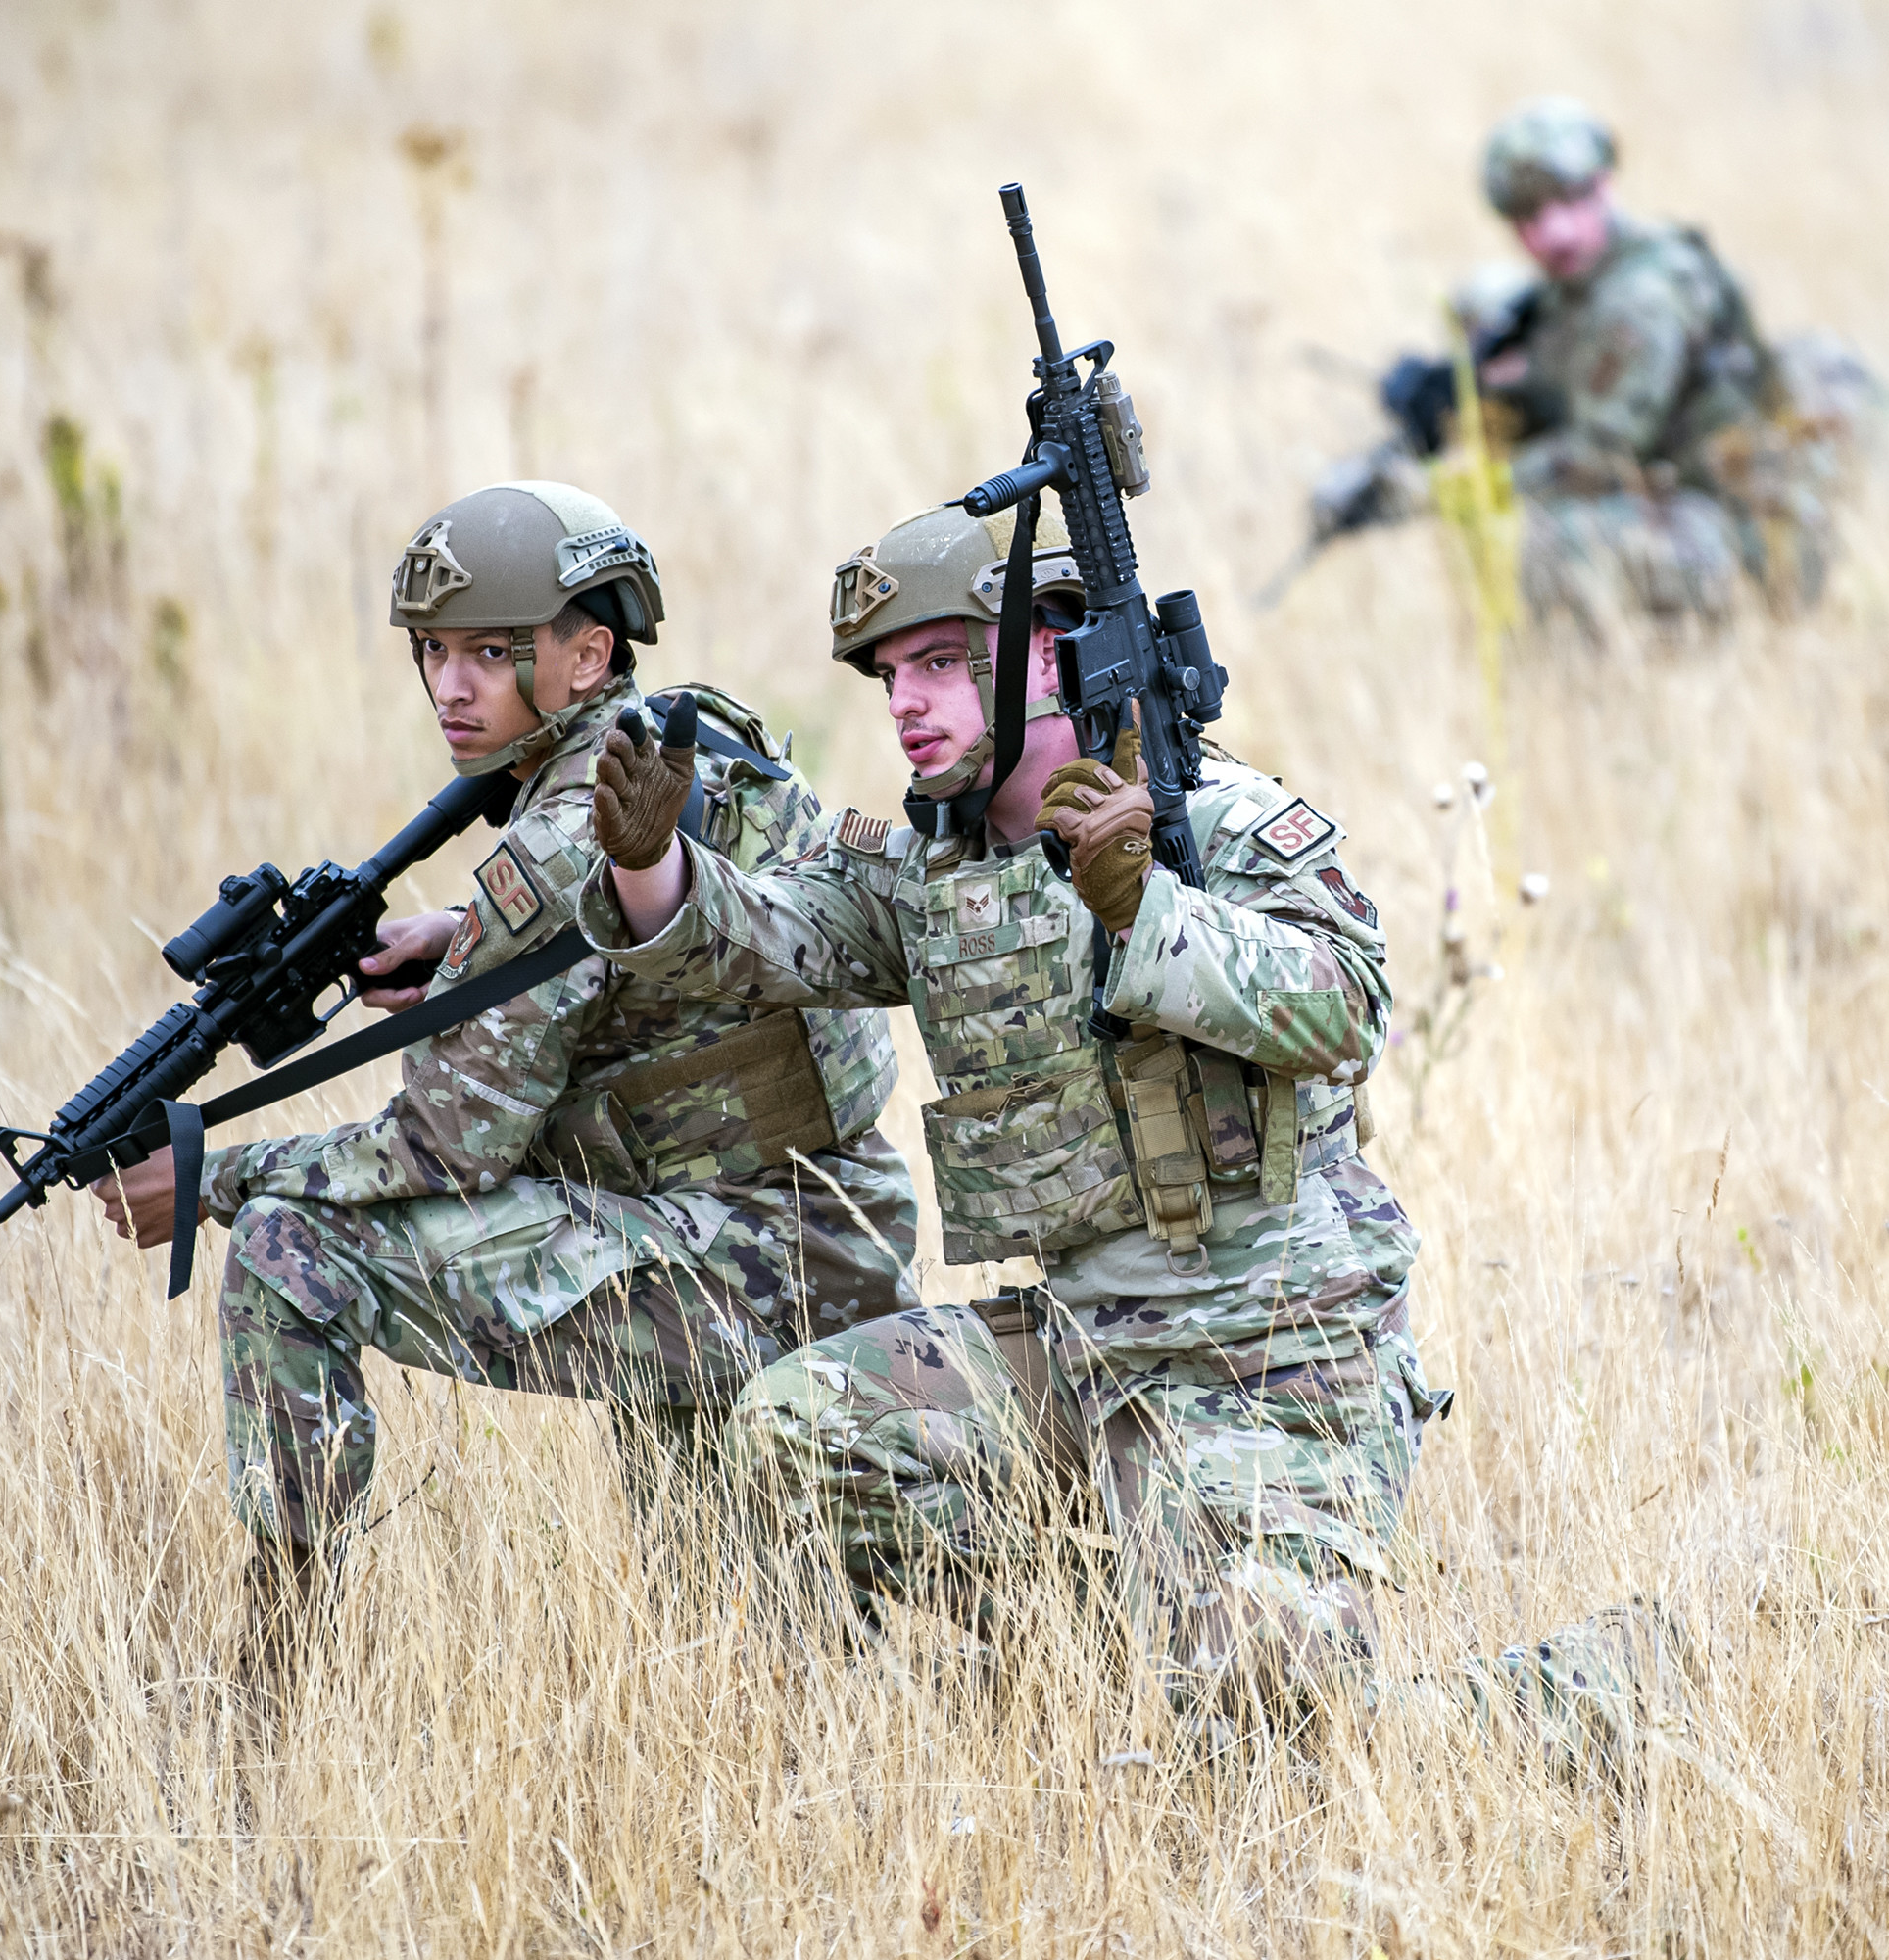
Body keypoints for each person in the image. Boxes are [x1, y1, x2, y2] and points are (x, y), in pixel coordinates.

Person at [573, 500, 1441, 1723]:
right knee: (796, 1430)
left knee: (1267, 1709)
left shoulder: (1214, 820)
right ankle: (1092, 1663)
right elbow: (764, 937)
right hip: (1083, 1343)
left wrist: (1147, 913)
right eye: (888, 676)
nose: (906, 703)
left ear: (1049, 651)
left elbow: (1347, 1009)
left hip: (1271, 1348)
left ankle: (1586, 1700)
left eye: (939, 662)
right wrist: (648, 865)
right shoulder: (937, 867)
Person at [89, 481, 919, 1667]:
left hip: (743, 1256)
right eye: (433, 652)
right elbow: (646, 974)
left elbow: (441, 1148)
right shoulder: (676, 741)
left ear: (588, 656)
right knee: (757, 1642)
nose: (451, 684)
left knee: (287, 1247)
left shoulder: (567, 833)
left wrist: (209, 1178)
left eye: (490, 651)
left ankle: (272, 1671)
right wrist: (467, 941)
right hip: (804, 1223)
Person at [1477, 95, 1834, 634]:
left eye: (1570, 201)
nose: (1555, 233)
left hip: (1750, 534)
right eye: (1529, 216)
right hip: (1704, 512)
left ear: (1604, 186)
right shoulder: (1573, 290)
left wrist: (1452, 489)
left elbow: (1601, 456)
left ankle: (1601, 681)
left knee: (1560, 535)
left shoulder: (1641, 297)